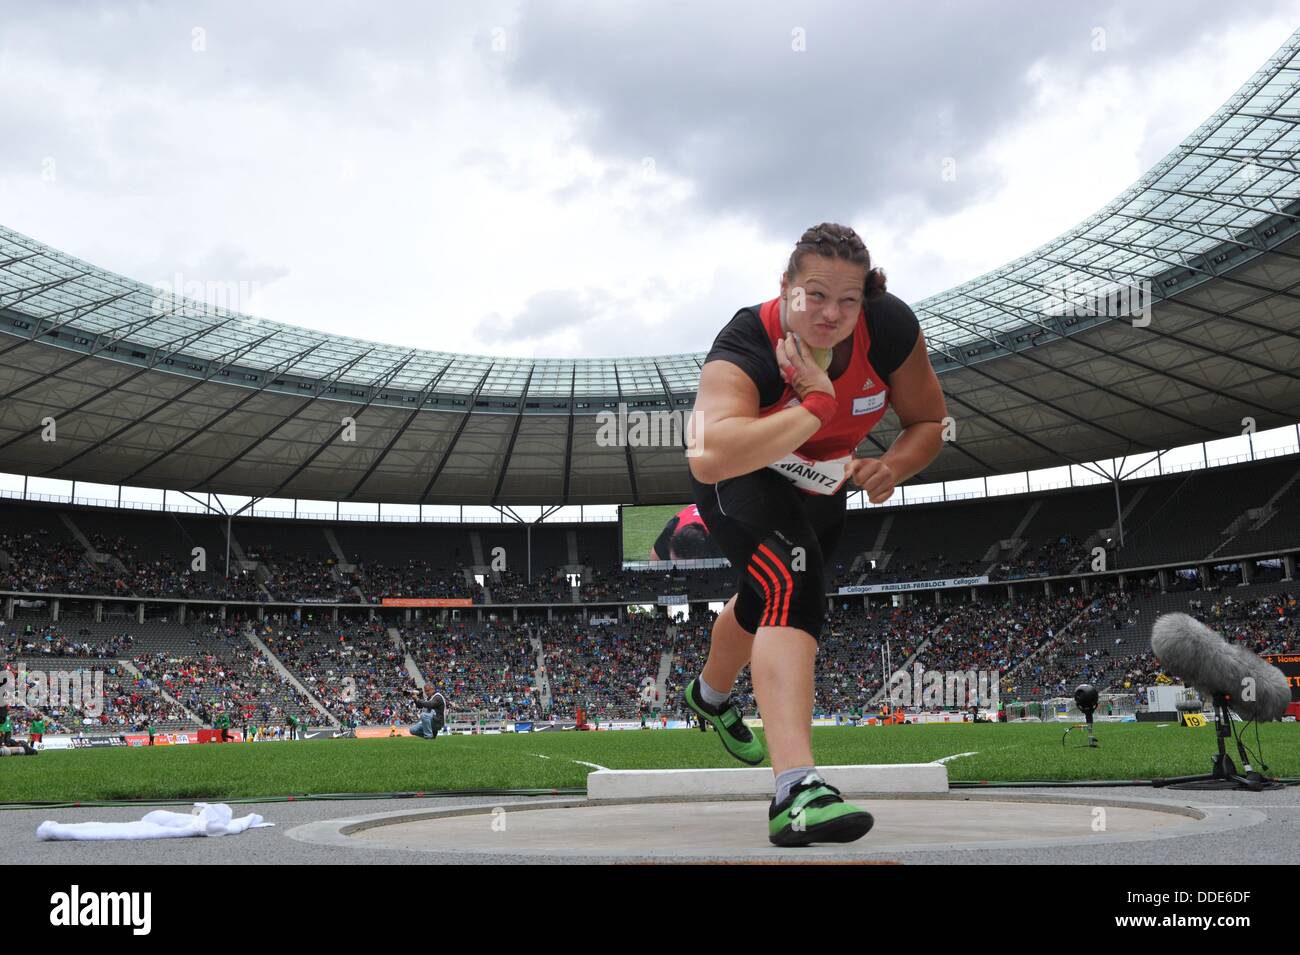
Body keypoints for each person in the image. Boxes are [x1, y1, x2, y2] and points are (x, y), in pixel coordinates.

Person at [684, 222, 946, 847]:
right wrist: (816, 408)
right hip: (745, 475)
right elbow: (707, 455)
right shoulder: (749, 337)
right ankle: (796, 792)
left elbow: (930, 419)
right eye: (814, 296)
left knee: (761, 600)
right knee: (795, 588)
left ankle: (710, 695)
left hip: (824, 486)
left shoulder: (889, 330)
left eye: (848, 301)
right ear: (787, 288)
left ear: (867, 300)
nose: (831, 314)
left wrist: (894, 466)